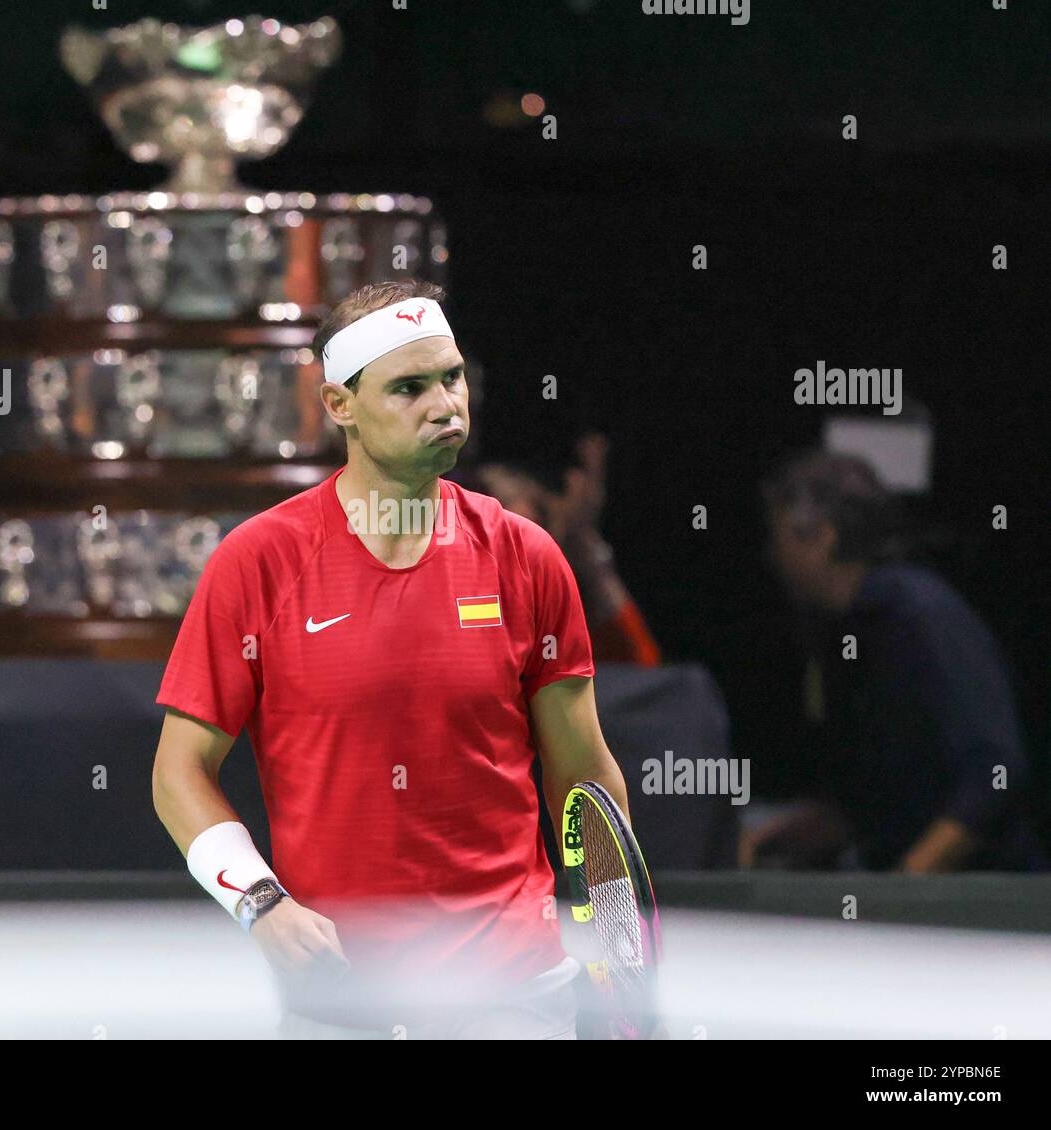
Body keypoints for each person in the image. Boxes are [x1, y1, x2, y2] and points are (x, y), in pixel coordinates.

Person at [151, 278, 630, 1038]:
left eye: (452, 377)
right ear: (340, 404)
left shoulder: (526, 557)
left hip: (513, 989)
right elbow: (178, 772)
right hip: (337, 998)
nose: (444, 406)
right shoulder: (259, 563)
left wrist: (616, 944)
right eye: (409, 388)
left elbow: (583, 774)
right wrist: (260, 903)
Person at [744, 449, 1046, 872]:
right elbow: (872, 804)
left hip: (989, 900)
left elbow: (995, 773)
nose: (773, 555)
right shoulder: (843, 631)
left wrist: (905, 884)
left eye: (779, 537)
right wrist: (772, 837)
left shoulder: (920, 615)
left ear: (822, 536)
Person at [477, 434, 662, 666]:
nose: (518, 522)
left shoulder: (568, 586)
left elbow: (644, 664)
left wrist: (584, 538)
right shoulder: (474, 599)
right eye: (497, 506)